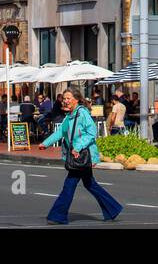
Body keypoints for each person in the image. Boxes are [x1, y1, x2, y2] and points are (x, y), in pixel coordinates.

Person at [39, 88, 122, 224]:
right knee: (90, 184)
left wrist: (78, 147)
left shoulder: (82, 113)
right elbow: (61, 132)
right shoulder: (69, 116)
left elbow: (92, 132)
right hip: (76, 156)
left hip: (82, 155)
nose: (65, 101)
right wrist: (45, 143)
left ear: (76, 100)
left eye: (68, 98)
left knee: (69, 184)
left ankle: (57, 216)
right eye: (64, 98)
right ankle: (112, 209)